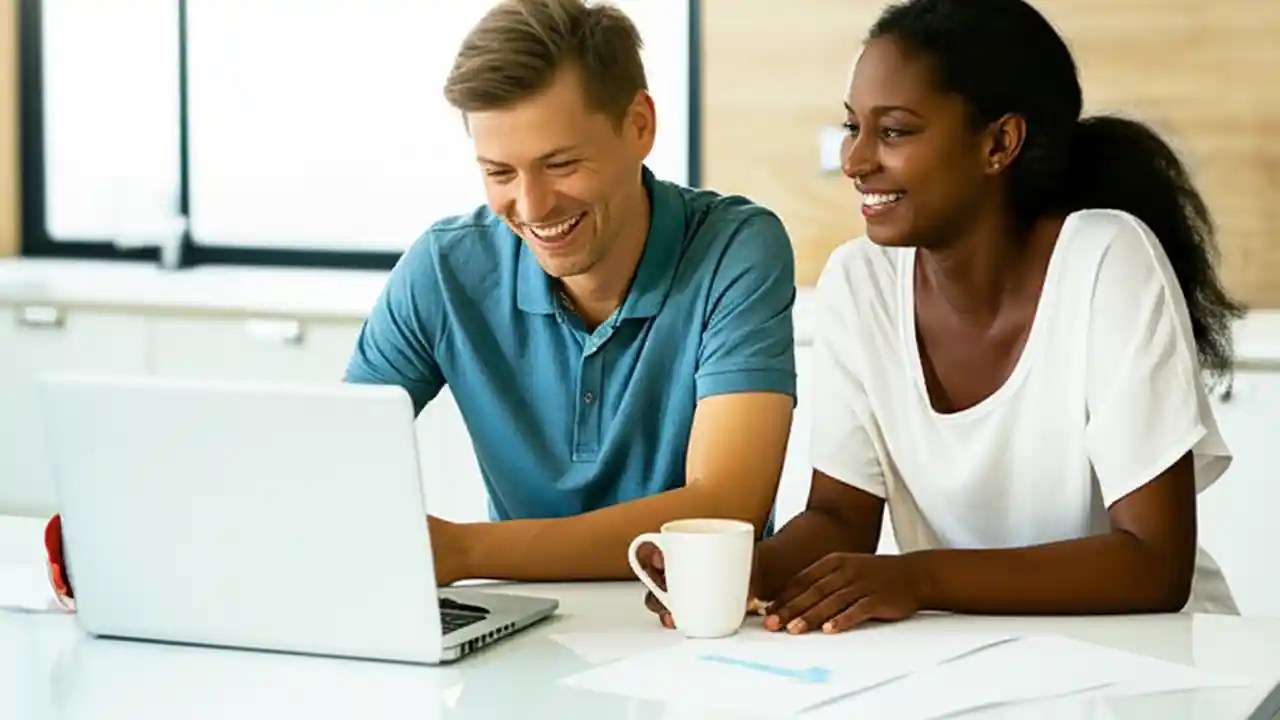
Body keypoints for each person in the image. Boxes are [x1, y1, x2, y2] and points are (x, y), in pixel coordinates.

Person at [44, 0, 797, 606]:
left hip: (689, 633)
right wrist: (142, 529)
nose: (531, 205)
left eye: (560, 163)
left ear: (640, 125)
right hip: (531, 623)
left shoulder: (737, 249)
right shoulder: (447, 268)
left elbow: (721, 510)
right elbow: (329, 461)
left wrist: (465, 551)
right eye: (498, 170)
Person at [646, 0, 1244, 633]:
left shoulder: (1105, 258)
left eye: (894, 131)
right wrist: (753, 571)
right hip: (972, 660)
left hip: (1165, 663)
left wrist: (919, 576)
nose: (854, 160)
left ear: (998, 143)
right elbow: (841, 518)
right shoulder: (858, 281)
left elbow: (1154, 566)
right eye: (853, 126)